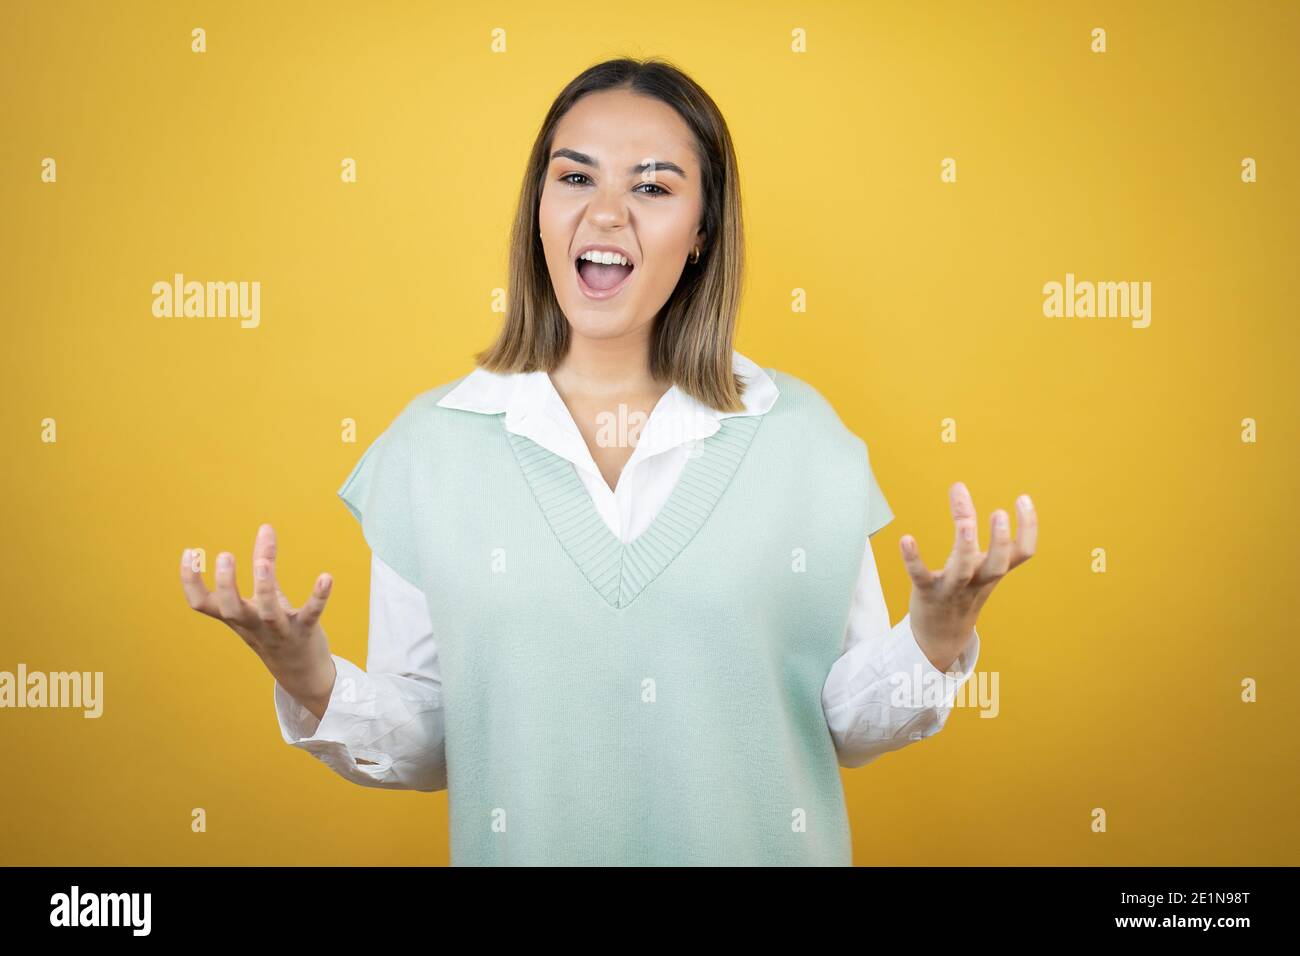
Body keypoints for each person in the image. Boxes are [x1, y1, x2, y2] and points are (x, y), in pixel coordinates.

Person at [179, 56, 1036, 866]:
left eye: (652, 187)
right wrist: (312, 679)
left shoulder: (803, 438)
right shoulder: (432, 447)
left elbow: (843, 726)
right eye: (575, 177)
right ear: (538, 208)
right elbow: (435, 741)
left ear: (701, 232)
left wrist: (936, 637)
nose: (605, 214)